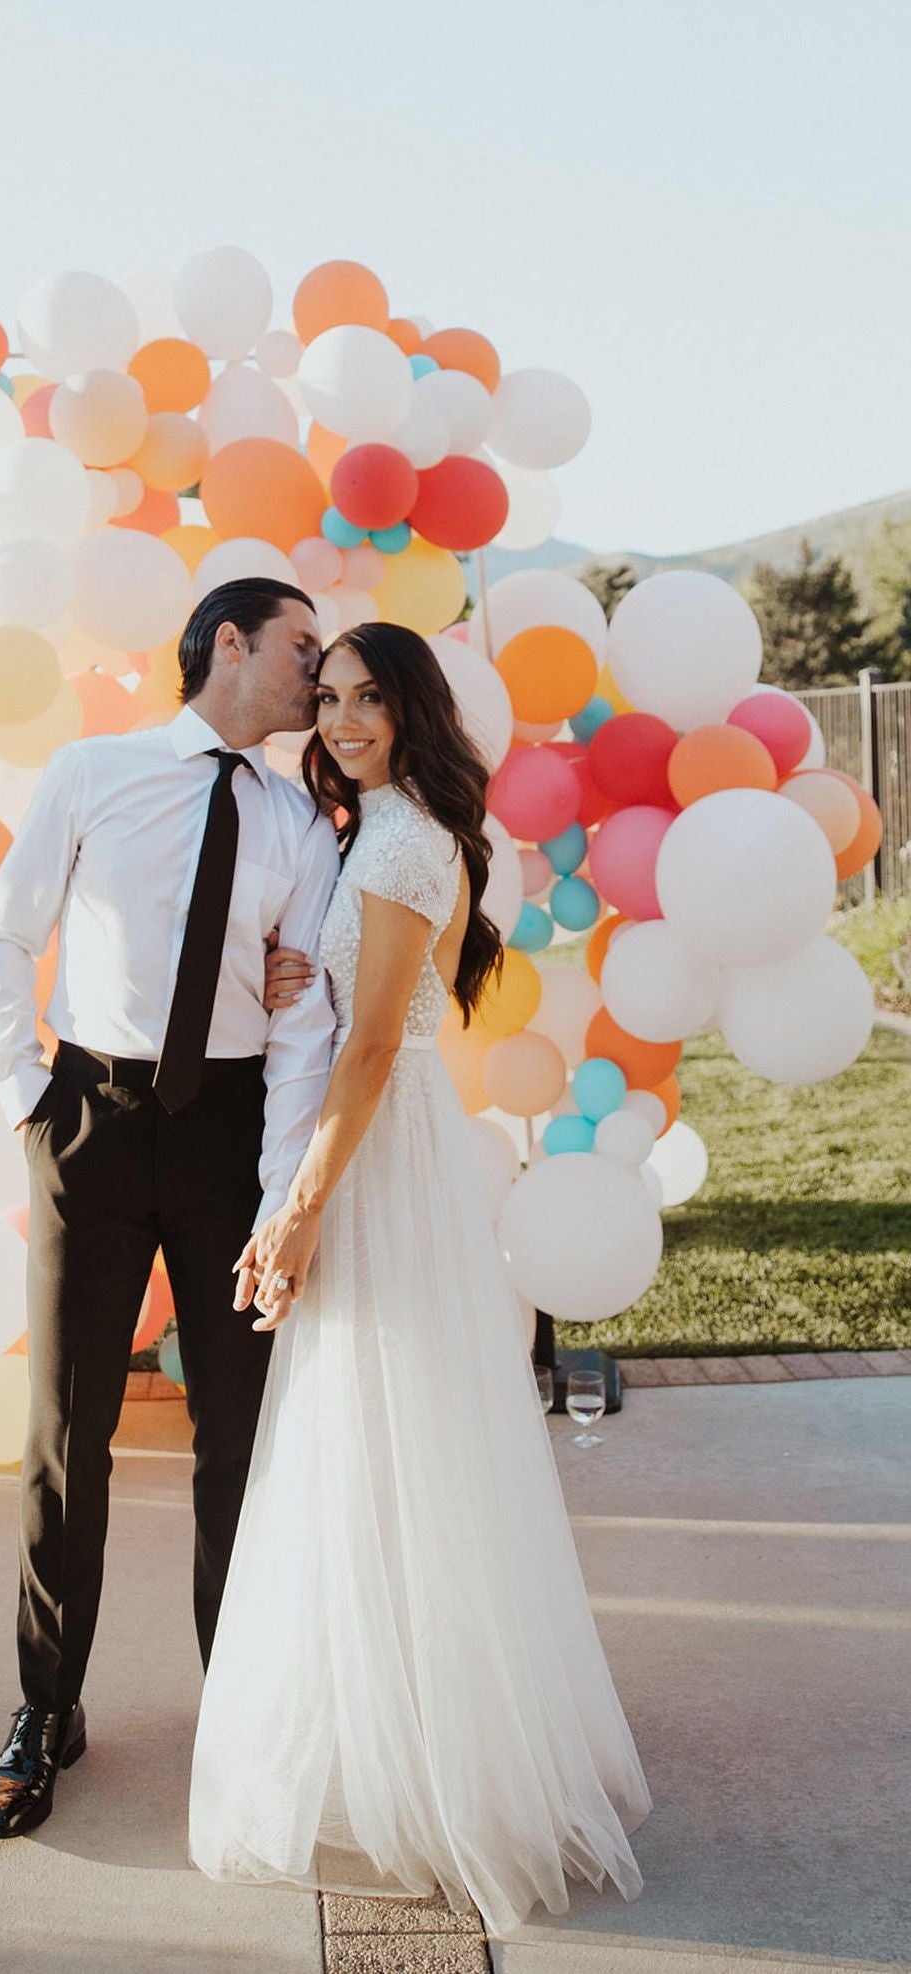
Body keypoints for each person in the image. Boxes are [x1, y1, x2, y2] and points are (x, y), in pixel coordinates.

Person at [189, 622, 652, 1935]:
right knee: (383, 1449)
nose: (339, 720)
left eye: (367, 698)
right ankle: (388, 1723)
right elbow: (367, 1004)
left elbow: (381, 1045)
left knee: (387, 1445)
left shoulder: (395, 843)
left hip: (381, 1168)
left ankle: (435, 1764)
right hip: (395, 1156)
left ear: (413, 708)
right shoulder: (387, 831)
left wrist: (298, 1211)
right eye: (326, 699)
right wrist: (305, 968)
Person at [0, 578, 340, 1840]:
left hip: (231, 1138)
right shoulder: (93, 771)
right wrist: (30, 1094)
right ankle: (44, 1708)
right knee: (69, 1436)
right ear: (226, 644)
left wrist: (281, 1181)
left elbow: (301, 1015)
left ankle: (235, 1716)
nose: (316, 675)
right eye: (301, 650)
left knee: (238, 1440)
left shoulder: (297, 821)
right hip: (94, 1121)